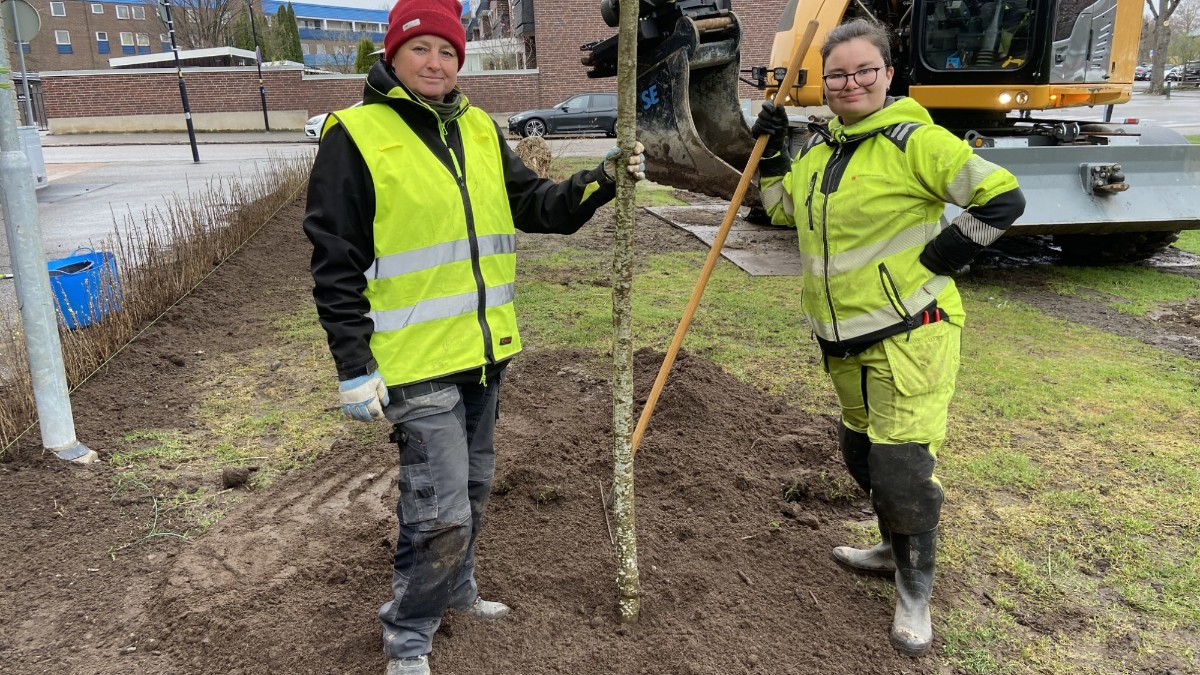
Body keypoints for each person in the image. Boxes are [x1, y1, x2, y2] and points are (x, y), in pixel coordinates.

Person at [302, 1, 646, 673]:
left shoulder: (479, 129)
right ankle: (408, 636)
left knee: (474, 490)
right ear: (393, 54)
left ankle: (457, 590)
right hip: (414, 363)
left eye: (448, 52)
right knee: (440, 511)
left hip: (484, 356)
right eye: (421, 48)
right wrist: (353, 365)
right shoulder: (356, 135)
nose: (436, 63)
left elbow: (536, 205)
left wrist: (601, 182)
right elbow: (334, 261)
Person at [752, 18, 1025, 656]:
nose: (850, 83)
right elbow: (780, 209)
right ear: (824, 83)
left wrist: (940, 259)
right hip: (841, 340)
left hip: (912, 333)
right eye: (838, 75)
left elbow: (1002, 198)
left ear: (887, 74)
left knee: (901, 469)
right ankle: (887, 546)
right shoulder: (820, 150)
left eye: (864, 71)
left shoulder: (915, 141)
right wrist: (770, 151)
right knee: (861, 454)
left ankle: (914, 590)